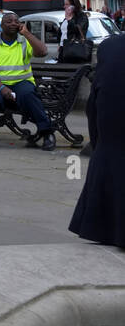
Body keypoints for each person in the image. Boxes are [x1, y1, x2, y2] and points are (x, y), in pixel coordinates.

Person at [0, 12, 55, 150]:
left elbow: (42, 52)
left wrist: (27, 33)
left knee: (28, 96)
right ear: (1, 25)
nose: (13, 23)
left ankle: (47, 133)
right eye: (9, 21)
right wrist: (2, 88)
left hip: (22, 82)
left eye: (16, 21)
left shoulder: (25, 41)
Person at [69, 33, 125, 247]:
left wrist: (98, 140)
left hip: (110, 129)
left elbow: (96, 98)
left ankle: (104, 227)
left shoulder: (110, 46)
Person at [58, 0, 91, 64]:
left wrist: (70, 19)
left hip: (74, 48)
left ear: (74, 6)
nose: (64, 7)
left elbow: (77, 30)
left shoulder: (82, 16)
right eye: (64, 4)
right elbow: (61, 32)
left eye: (67, 4)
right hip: (63, 48)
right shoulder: (66, 18)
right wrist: (59, 44)